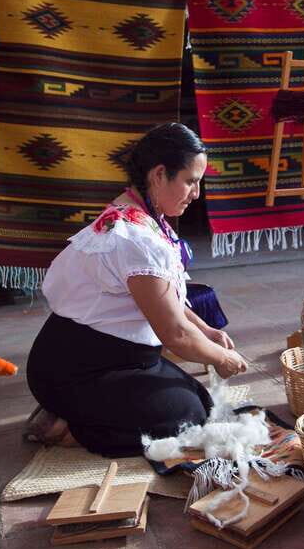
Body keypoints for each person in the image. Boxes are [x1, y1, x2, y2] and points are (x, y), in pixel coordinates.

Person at [26, 123, 248, 457]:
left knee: (197, 400)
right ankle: (69, 426)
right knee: (183, 421)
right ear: (159, 174)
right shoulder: (135, 239)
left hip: (113, 359)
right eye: (191, 181)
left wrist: (206, 330)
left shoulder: (139, 217)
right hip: (79, 368)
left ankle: (73, 410)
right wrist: (223, 357)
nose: (197, 194)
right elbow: (174, 334)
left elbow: (165, 299)